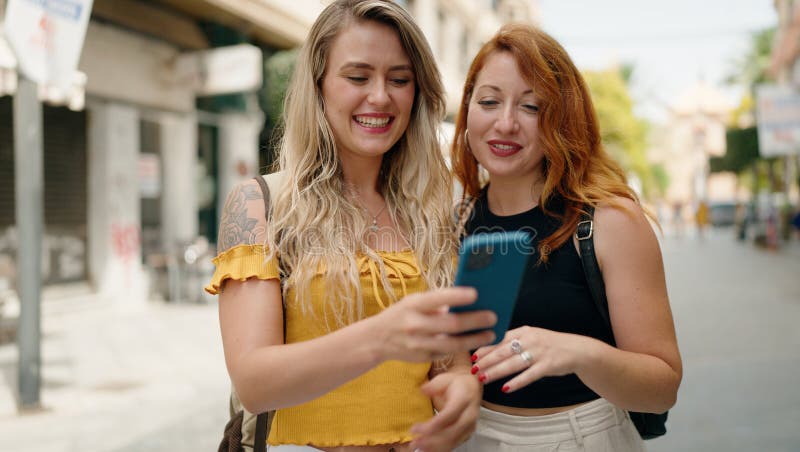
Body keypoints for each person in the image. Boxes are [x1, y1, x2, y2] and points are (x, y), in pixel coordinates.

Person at [204, 1, 497, 451]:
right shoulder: (260, 203)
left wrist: (462, 388)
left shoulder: (433, 212)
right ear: (318, 85)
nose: (380, 97)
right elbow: (254, 384)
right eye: (357, 77)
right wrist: (382, 336)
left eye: (399, 79)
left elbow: (449, 363)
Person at [450, 24, 682, 451]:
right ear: (467, 112)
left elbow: (663, 386)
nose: (505, 123)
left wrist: (577, 352)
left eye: (531, 107)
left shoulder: (609, 220)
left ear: (562, 118)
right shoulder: (452, 222)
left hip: (580, 437)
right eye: (488, 102)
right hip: (472, 437)